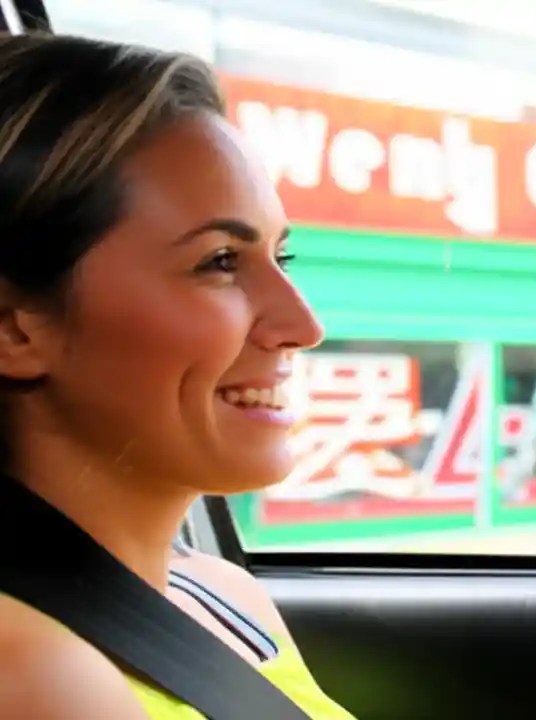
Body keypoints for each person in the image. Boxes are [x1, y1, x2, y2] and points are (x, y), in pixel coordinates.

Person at [0, 33, 354, 718]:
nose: (303, 324)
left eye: (283, 255)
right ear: (14, 329)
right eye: (220, 261)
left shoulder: (222, 600)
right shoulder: (40, 677)